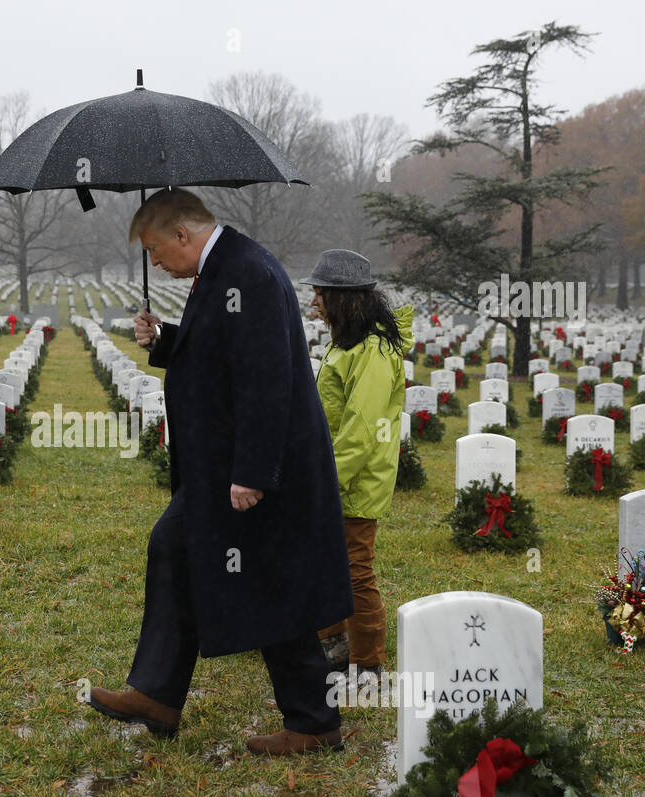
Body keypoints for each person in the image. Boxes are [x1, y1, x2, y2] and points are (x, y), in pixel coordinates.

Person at [87, 188, 354, 756]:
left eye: (157, 250)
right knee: (177, 548)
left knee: (272, 583)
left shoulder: (247, 274)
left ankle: (312, 723)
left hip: (255, 467)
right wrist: (166, 340)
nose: (156, 262)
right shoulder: (223, 271)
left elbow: (265, 377)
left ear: (183, 235)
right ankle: (157, 694)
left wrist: (254, 470)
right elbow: (220, 355)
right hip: (222, 466)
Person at [302, 250, 413, 681]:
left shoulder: (373, 351)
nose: (314, 303)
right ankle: (332, 640)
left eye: (320, 294)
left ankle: (367, 660)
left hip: (355, 479)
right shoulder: (347, 342)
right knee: (327, 562)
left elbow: (361, 428)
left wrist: (325, 482)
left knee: (354, 569)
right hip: (334, 473)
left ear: (343, 299)